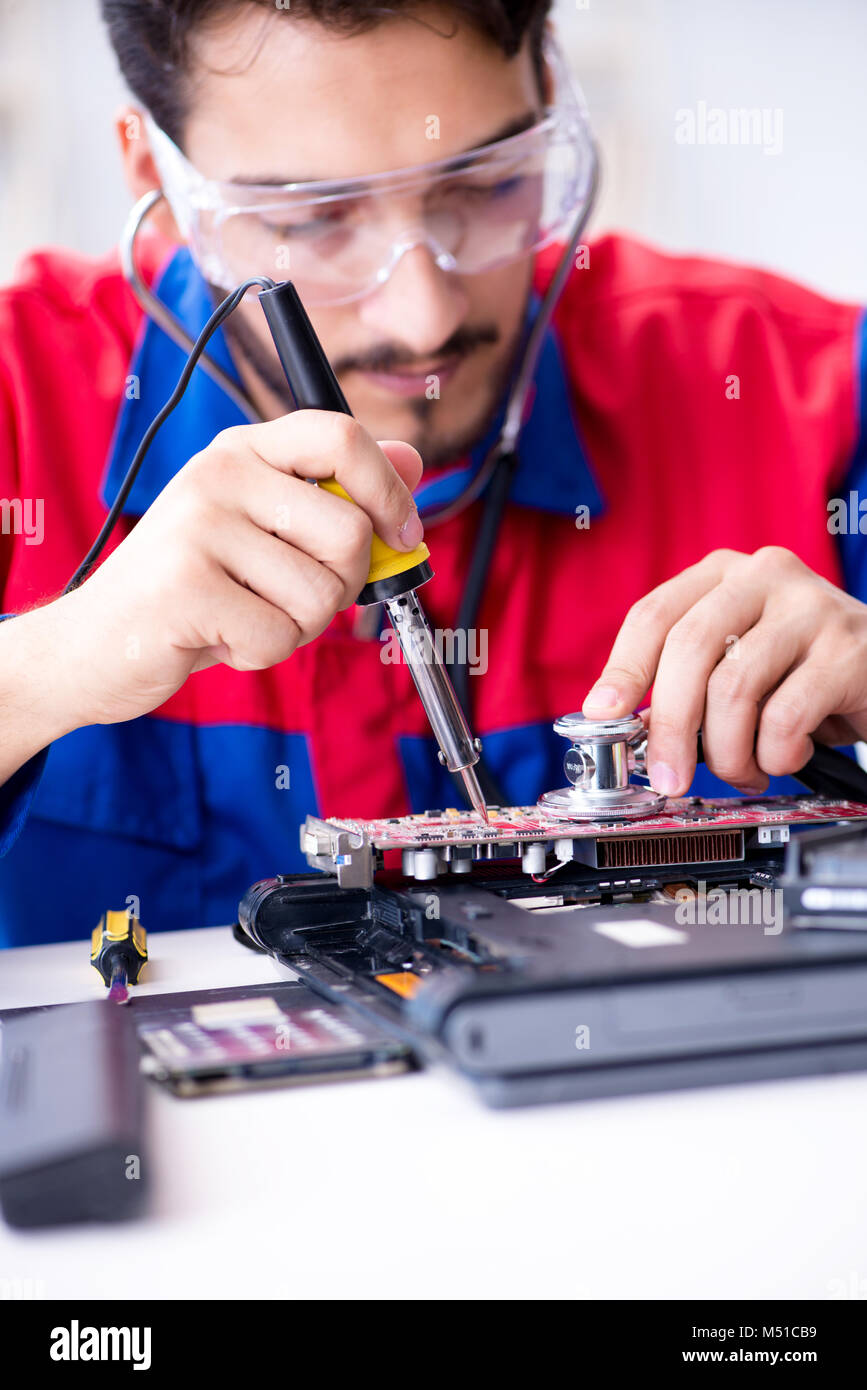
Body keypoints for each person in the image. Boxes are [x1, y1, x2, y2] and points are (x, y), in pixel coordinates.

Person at [1, 0, 866, 946]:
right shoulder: (18, 400)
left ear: (549, 92)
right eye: (314, 217)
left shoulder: (813, 396)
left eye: (483, 183)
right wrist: (50, 669)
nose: (422, 318)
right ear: (159, 186)